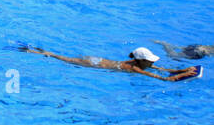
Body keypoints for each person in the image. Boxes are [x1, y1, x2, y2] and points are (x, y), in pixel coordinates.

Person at [19, 45, 200, 82]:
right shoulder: (135, 68)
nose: (152, 63)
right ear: (141, 60)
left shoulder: (141, 63)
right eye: (150, 60)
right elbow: (164, 79)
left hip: (97, 59)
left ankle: (40, 50)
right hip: (93, 64)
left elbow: (162, 69)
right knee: (63, 58)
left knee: (65, 57)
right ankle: (36, 51)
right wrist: (186, 75)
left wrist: (181, 69)